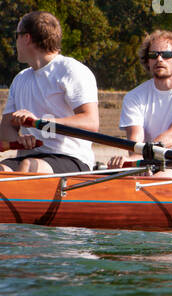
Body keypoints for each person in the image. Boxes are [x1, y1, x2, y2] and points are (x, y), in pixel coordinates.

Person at [0, 11, 99, 174]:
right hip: (30, 156)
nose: (15, 41)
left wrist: (42, 122)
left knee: (29, 167)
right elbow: (6, 128)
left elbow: (90, 122)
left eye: (16, 36)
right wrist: (18, 140)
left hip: (70, 158)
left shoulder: (71, 70)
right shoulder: (20, 78)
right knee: (2, 170)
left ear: (27, 38)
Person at [109, 30, 172, 178]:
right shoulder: (134, 97)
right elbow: (135, 138)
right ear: (148, 61)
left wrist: (141, 157)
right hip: (152, 161)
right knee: (122, 181)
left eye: (166, 54)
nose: (159, 59)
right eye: (153, 55)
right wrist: (135, 160)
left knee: (152, 181)